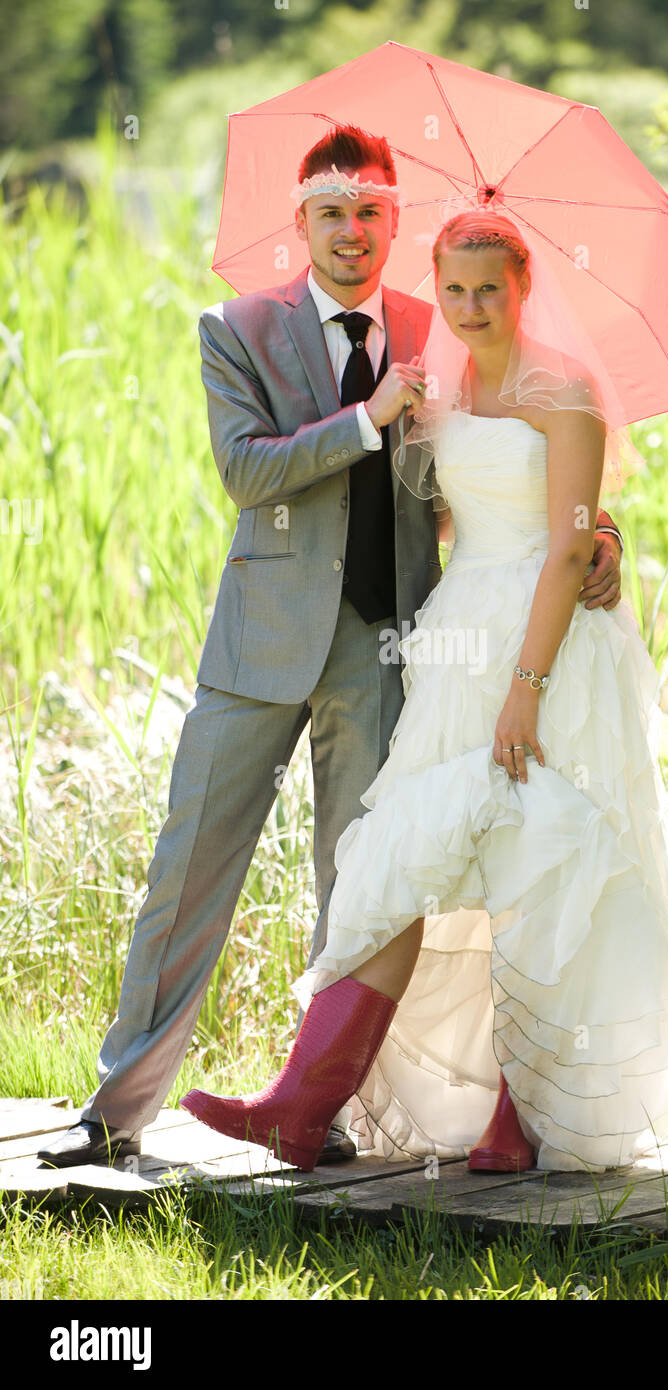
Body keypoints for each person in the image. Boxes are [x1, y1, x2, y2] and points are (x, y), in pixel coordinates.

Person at [38, 128, 626, 1170]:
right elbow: (246, 471)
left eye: (369, 213)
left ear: (393, 222)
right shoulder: (237, 328)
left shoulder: (437, 320)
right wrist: (366, 417)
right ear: (297, 222)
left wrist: (594, 541)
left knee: (360, 878)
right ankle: (116, 1108)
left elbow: (505, 472)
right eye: (328, 213)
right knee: (189, 870)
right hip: (257, 646)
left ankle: (319, 1111)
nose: (351, 232)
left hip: (396, 645)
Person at [180, 210, 668, 1174]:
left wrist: (532, 679)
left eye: (489, 290)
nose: (470, 308)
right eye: (454, 290)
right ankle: (302, 1101)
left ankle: (527, 1112)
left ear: (522, 286)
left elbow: (566, 540)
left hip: (549, 647)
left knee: (538, 855)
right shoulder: (438, 391)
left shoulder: (568, 391)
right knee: (405, 851)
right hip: (456, 637)